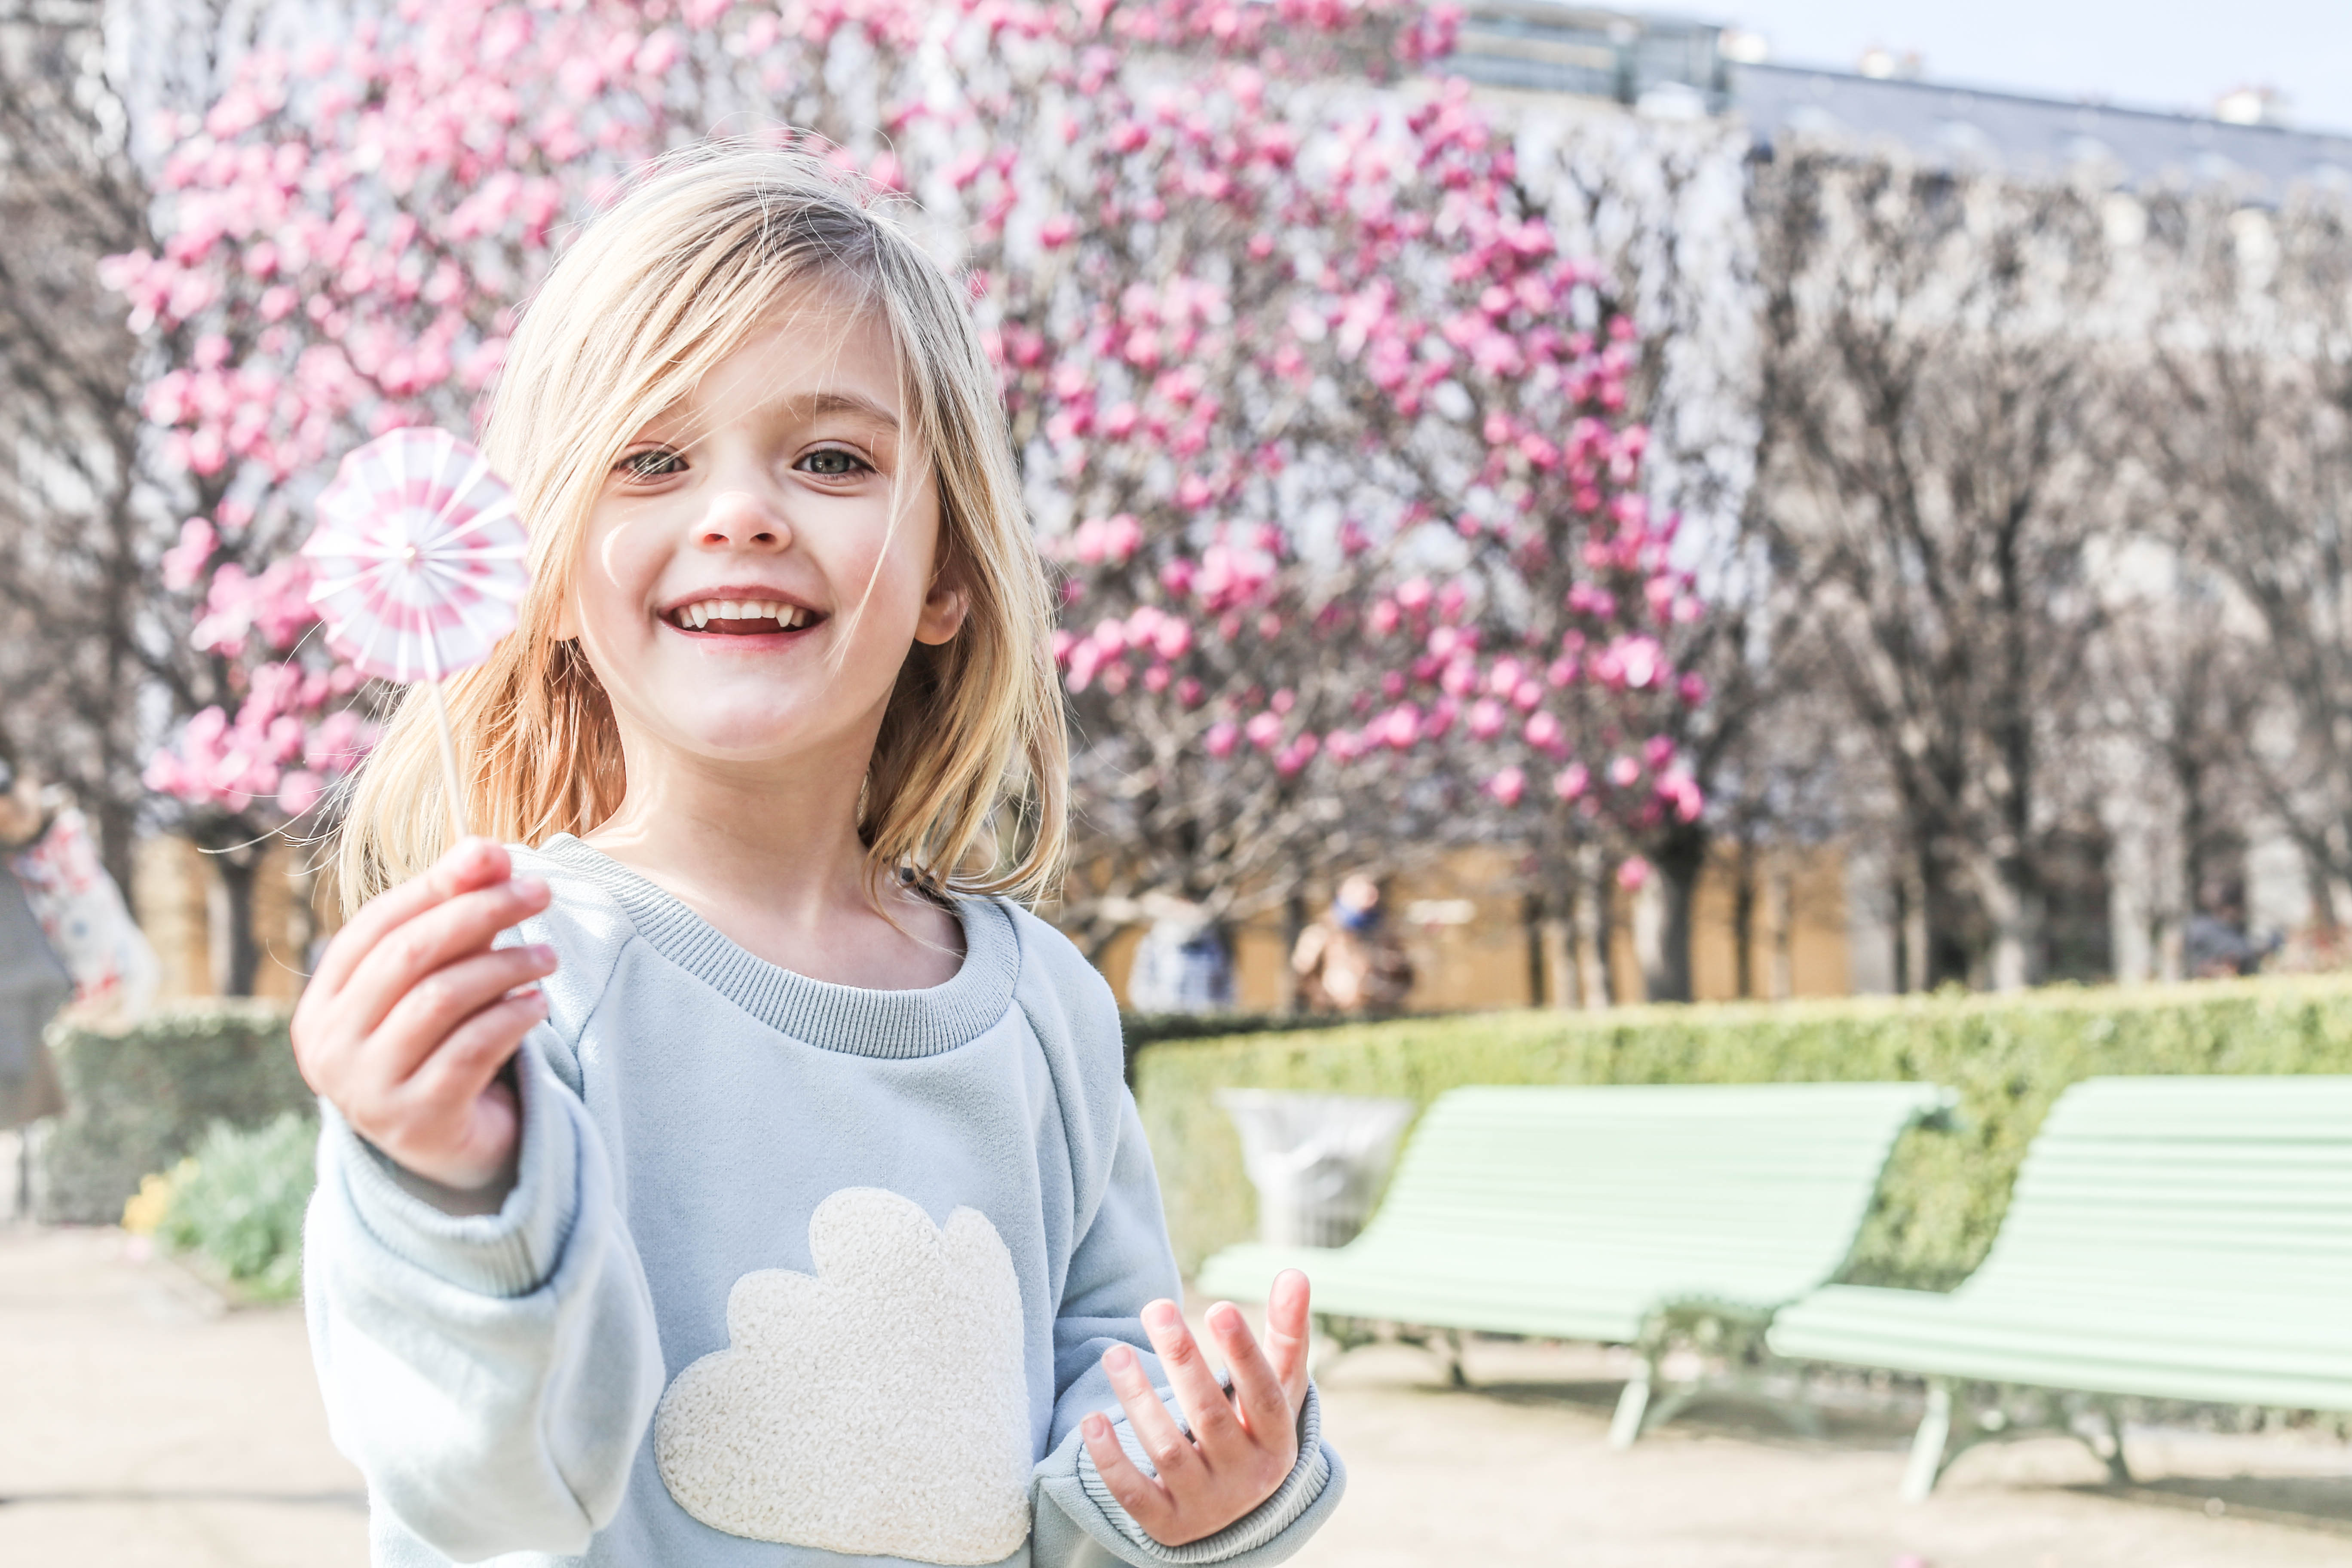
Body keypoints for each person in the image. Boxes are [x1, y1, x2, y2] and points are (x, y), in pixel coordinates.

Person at [290, 146, 1336, 1568]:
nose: (742, 512)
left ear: (949, 571)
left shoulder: (1047, 1009)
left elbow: (1100, 1384)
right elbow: (490, 1502)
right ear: (542, 572)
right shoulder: (528, 989)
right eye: (650, 458)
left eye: (833, 457)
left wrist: (1188, 1465)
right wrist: (454, 1190)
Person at [1289, 874, 1412, 1014]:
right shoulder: (1322, 931)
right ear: (1343, 894)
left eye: (1371, 893)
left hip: (1380, 1008)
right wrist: (1320, 1001)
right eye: (1361, 892)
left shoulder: (1386, 930)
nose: (1369, 897)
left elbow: (1405, 974)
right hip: (1335, 1008)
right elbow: (1303, 973)